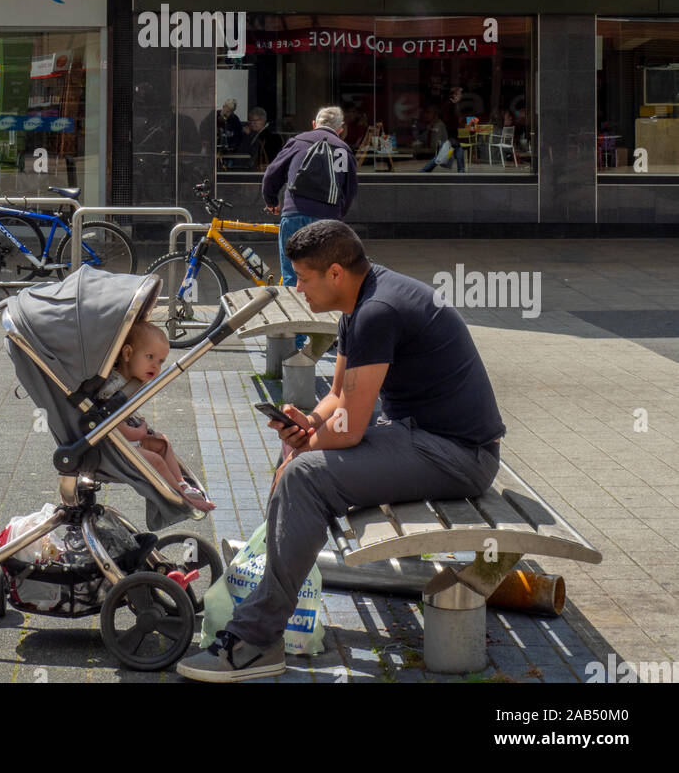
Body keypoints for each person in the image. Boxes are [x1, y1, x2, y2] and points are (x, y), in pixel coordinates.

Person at [177, 220, 505, 681]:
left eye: (302, 278)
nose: (295, 287)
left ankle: (255, 640)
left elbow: (348, 428)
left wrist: (310, 442)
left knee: (305, 475)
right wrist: (306, 424)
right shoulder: (363, 298)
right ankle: (266, 598)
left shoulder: (378, 310)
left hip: (458, 455)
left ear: (334, 273)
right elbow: (336, 396)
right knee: (298, 461)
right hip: (422, 435)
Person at [98, 321, 214, 513]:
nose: (156, 366)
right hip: (110, 446)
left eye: (160, 361)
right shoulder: (112, 386)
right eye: (150, 357)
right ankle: (182, 496)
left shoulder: (129, 381)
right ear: (127, 354)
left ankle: (181, 483)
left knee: (162, 442)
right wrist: (137, 433)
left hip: (124, 441)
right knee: (156, 460)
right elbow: (110, 423)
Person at [260, 106, 357, 287]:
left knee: (292, 275)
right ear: (340, 129)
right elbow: (349, 190)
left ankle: (293, 312)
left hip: (294, 214)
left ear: (314, 124)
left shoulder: (298, 142)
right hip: (327, 219)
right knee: (323, 274)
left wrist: (271, 201)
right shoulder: (342, 150)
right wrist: (338, 215)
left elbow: (272, 174)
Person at [420, 85, 466, 172]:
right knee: (441, 156)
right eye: (459, 94)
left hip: (452, 134)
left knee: (453, 152)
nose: (461, 96)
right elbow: (447, 119)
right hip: (449, 134)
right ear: (454, 95)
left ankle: (461, 171)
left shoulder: (454, 105)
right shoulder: (448, 105)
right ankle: (424, 171)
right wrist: (456, 123)